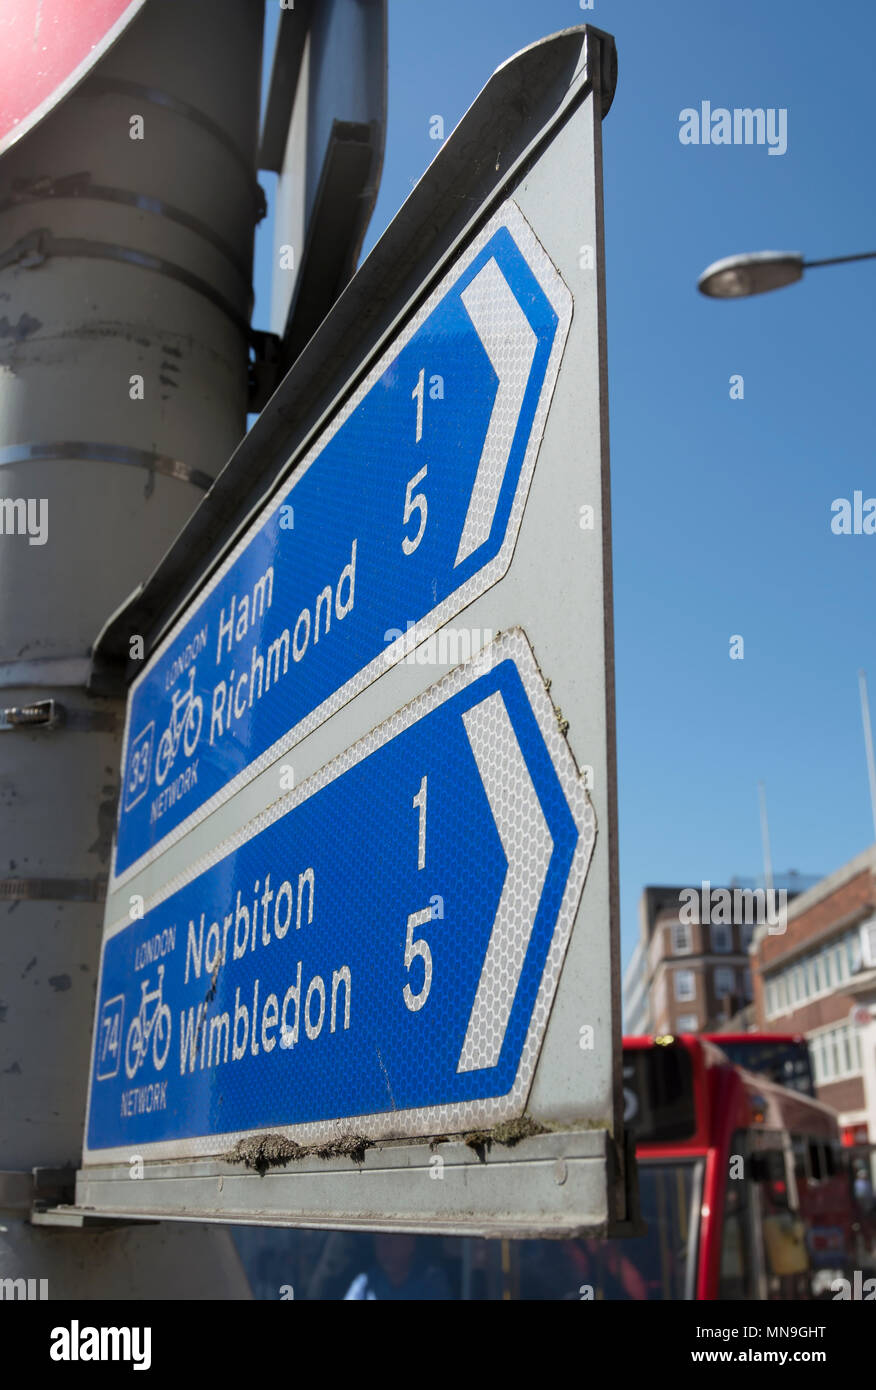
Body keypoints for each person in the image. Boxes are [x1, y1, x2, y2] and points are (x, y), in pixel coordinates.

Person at [344, 1234, 453, 1300]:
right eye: (379, 1241)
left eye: (390, 1241)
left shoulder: (431, 1281)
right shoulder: (366, 1281)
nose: (384, 1248)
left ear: (410, 1242)